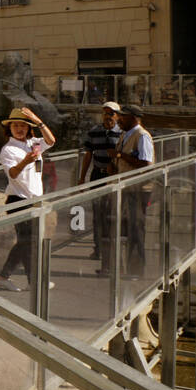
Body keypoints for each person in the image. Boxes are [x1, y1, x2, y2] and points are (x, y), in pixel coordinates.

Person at [0, 107, 56, 292]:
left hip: (33, 200)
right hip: (18, 200)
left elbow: (51, 140)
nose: (19, 129)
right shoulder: (8, 150)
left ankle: (19, 279)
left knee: (28, 241)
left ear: (28, 128)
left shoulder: (32, 143)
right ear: (9, 128)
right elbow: (12, 173)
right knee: (28, 241)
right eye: (15, 125)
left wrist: (37, 119)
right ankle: (16, 278)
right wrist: (26, 161)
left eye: (23, 126)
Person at [79, 101, 123, 271]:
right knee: (97, 212)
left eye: (111, 113)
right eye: (105, 113)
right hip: (97, 174)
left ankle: (109, 249)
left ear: (117, 116)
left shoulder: (121, 134)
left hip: (113, 175)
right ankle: (98, 249)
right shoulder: (94, 132)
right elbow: (88, 155)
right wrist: (82, 178)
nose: (107, 116)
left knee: (110, 213)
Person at [114, 104, 154, 277]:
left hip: (138, 190)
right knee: (127, 229)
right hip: (126, 187)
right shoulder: (125, 134)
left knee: (136, 229)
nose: (119, 119)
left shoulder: (142, 136)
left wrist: (120, 156)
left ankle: (136, 270)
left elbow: (146, 164)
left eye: (122, 116)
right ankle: (127, 267)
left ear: (134, 118)